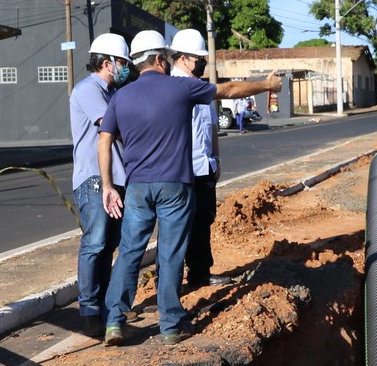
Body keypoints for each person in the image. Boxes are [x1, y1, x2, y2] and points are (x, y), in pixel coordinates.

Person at [97, 30, 282, 347]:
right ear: (159, 59)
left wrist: (108, 186)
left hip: (137, 186)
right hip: (175, 186)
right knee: (170, 253)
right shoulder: (180, 87)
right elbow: (229, 89)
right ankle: (170, 325)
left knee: (129, 252)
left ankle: (114, 321)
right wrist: (267, 85)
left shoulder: (121, 97)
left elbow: (104, 140)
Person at [69, 33, 132, 338]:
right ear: (107, 63)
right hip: (95, 180)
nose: (125, 68)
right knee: (94, 244)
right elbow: (111, 128)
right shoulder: (88, 90)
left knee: (108, 245)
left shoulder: (111, 92)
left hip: (115, 178)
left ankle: (105, 307)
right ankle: (89, 310)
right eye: (122, 62)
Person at [170, 28, 232, 289]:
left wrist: (215, 159)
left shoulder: (202, 90)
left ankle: (200, 273)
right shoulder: (173, 87)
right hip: (181, 171)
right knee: (177, 226)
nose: (204, 63)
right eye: (199, 59)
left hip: (204, 167)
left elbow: (211, 127)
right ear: (183, 58)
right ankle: (169, 280)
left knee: (203, 220)